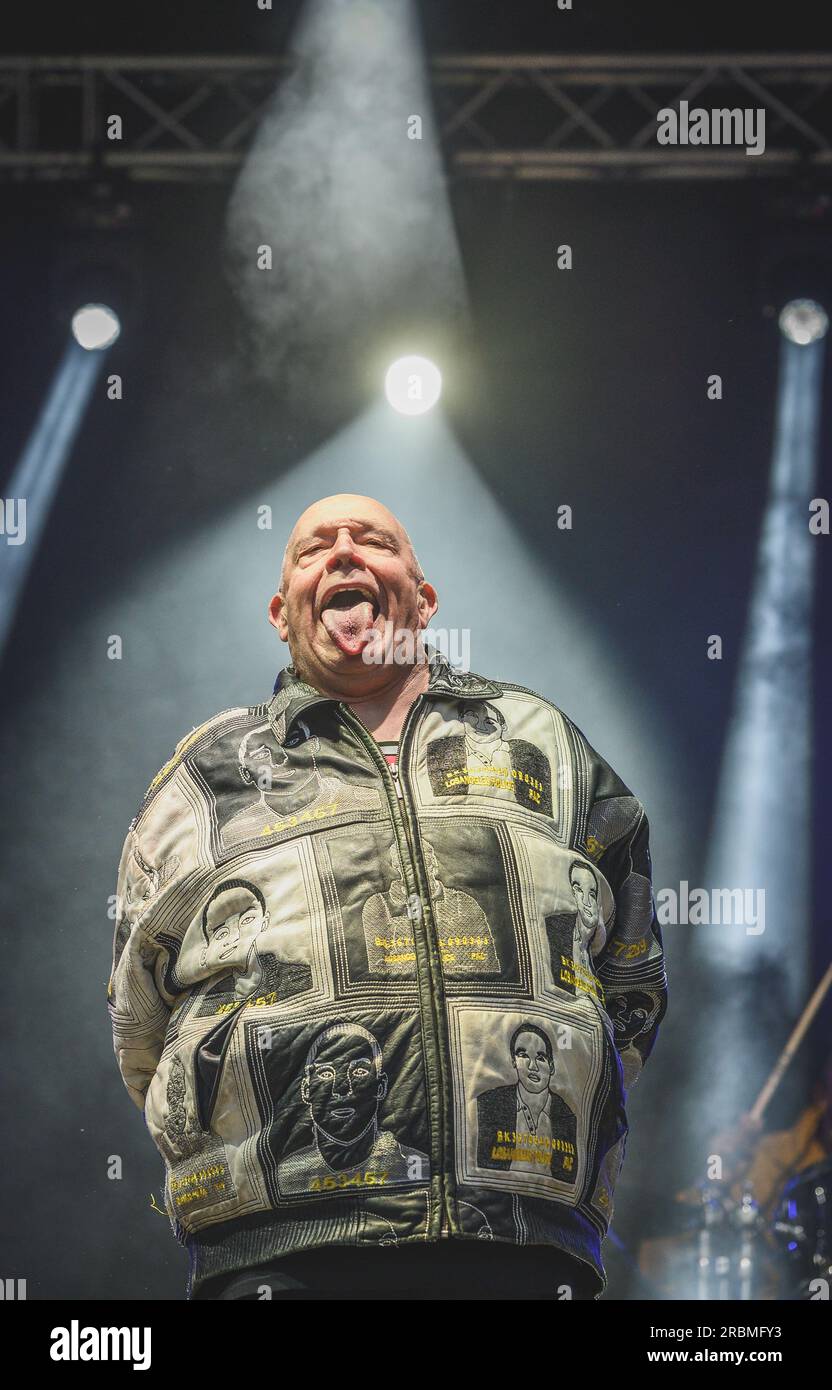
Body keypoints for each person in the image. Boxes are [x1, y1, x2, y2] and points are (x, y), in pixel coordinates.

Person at [108, 493, 667, 1301]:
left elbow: (632, 975)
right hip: (277, 1254)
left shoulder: (544, 743)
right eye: (313, 549)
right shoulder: (208, 777)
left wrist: (577, 1086)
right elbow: (139, 1019)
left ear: (424, 598)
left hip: (523, 1245)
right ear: (280, 612)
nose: (342, 553)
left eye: (371, 541)